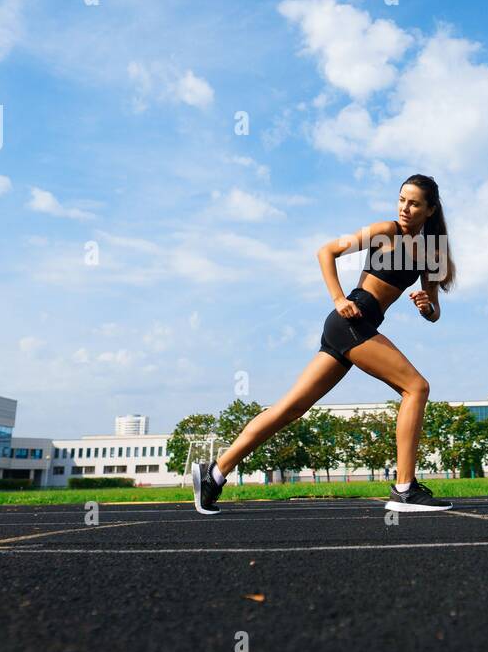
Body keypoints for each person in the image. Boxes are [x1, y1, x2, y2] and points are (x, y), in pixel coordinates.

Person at [191, 174, 457, 515]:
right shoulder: (385, 230)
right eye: (401, 199)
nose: (405, 208)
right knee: (416, 388)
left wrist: (426, 307)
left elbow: (433, 310)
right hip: (351, 321)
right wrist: (337, 298)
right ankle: (405, 489)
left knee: (290, 408)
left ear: (430, 210)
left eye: (414, 203)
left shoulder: (431, 253)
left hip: (355, 329)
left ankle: (214, 473)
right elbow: (326, 251)